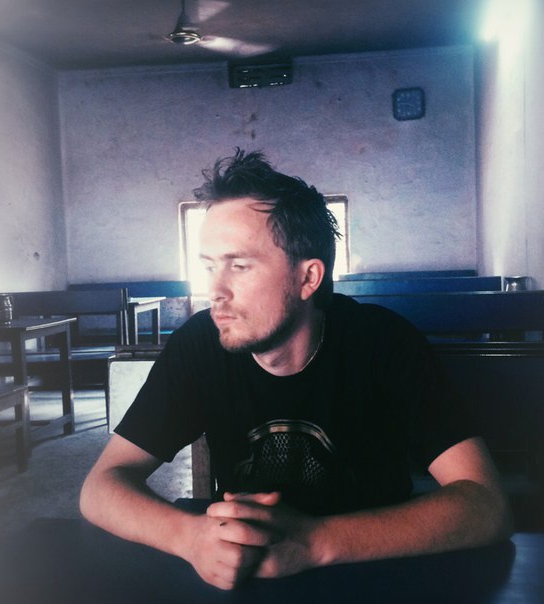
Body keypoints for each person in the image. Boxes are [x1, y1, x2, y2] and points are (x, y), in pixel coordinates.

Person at [80, 149, 512, 591]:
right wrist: (189, 538)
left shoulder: (384, 343)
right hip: (247, 577)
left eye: (239, 266)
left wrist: (313, 542)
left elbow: (487, 505)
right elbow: (101, 487)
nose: (215, 291)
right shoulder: (199, 345)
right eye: (209, 267)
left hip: (376, 573)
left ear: (308, 278)